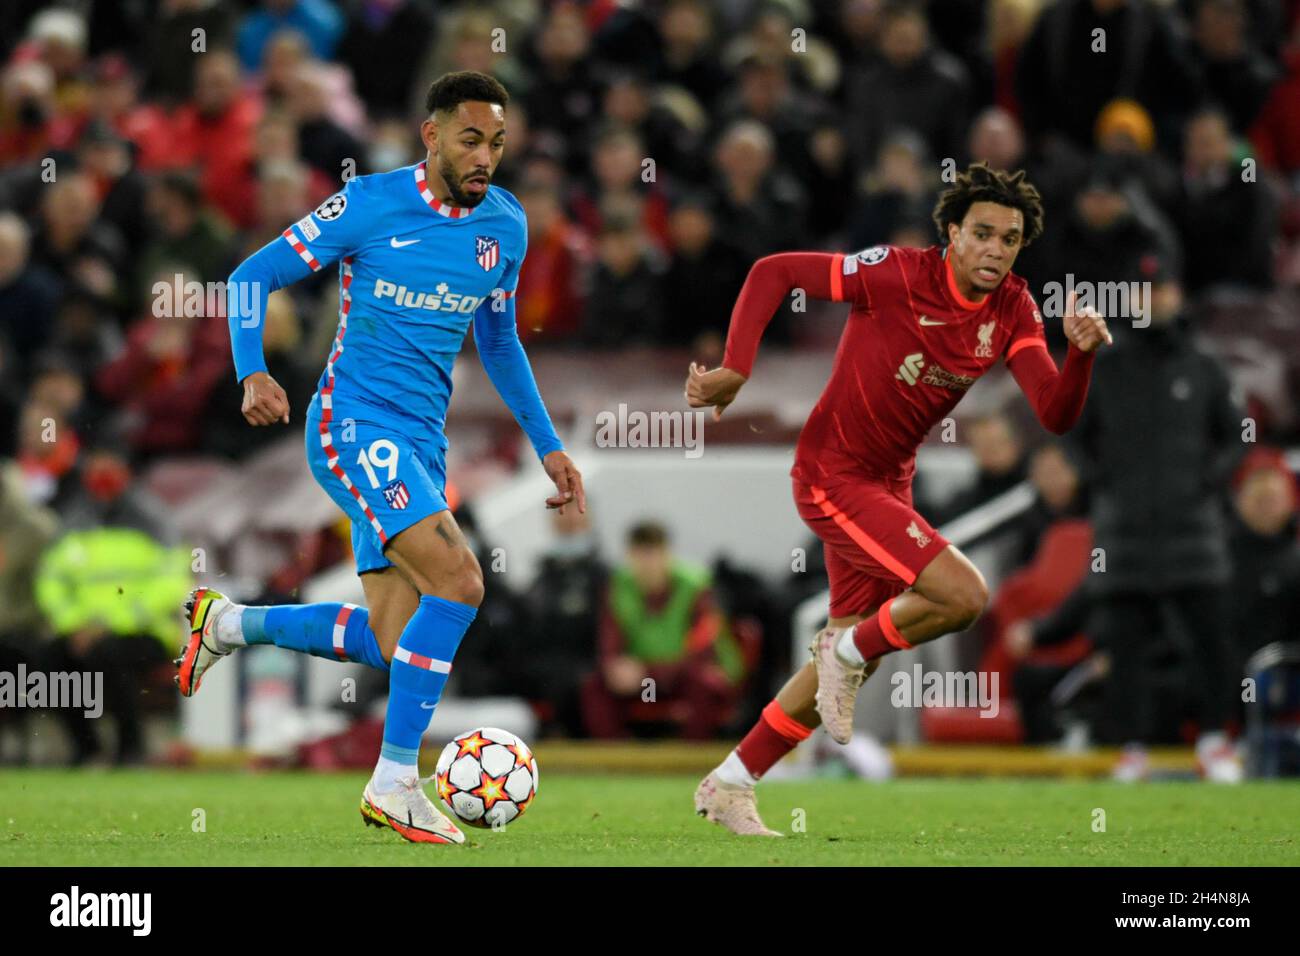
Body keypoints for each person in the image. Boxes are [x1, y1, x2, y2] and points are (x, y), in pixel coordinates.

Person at [179, 71, 585, 845]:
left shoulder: (506, 225)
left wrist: (550, 445)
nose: (485, 158)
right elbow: (250, 277)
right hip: (355, 426)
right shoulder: (368, 204)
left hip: (421, 445)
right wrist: (252, 369)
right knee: (461, 582)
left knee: (396, 643)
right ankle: (396, 782)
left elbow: (497, 341)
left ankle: (227, 624)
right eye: (470, 139)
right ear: (430, 135)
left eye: (497, 143)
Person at [686, 163, 1111, 835]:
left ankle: (731, 782)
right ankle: (845, 656)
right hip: (834, 473)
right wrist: (736, 367)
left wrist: (1080, 355)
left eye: (1010, 239)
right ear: (951, 233)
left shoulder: (1015, 309)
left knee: (856, 647)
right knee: (963, 597)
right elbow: (774, 272)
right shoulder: (894, 272)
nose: (996, 250)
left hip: (889, 481)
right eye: (982, 234)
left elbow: (1054, 414)